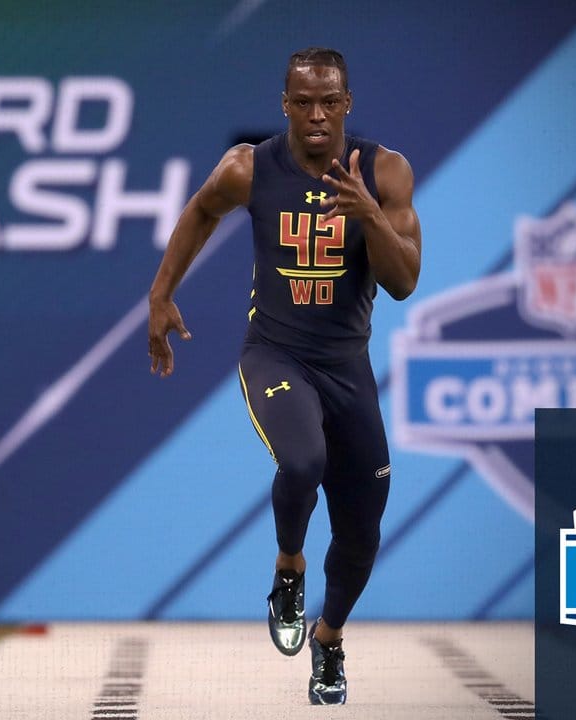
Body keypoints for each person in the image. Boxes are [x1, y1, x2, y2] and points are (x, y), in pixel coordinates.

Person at [146, 46, 421, 705]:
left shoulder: (384, 170)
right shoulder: (249, 167)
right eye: (303, 102)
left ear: (347, 103)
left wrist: (369, 215)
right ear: (285, 105)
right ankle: (290, 568)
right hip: (276, 354)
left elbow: (404, 282)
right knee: (302, 461)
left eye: (328, 102)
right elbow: (200, 210)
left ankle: (329, 641)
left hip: (347, 366)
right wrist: (161, 295)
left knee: (361, 530)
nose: (316, 115)